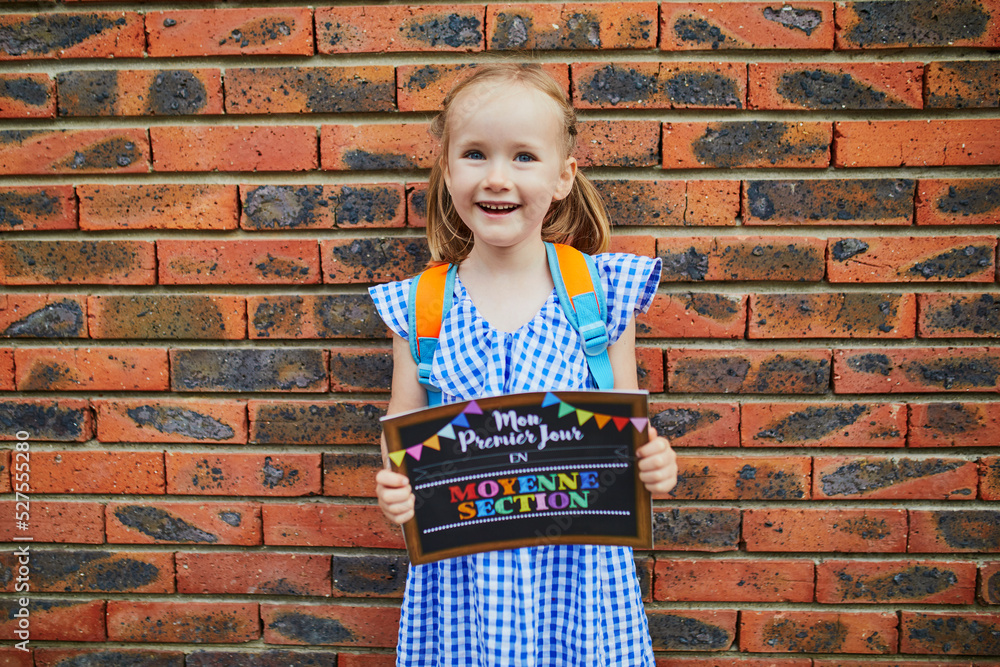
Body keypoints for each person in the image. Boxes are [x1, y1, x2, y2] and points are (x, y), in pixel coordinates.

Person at [368, 62, 678, 666]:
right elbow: (402, 426)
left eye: (524, 158)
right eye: (476, 154)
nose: (498, 178)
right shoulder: (419, 306)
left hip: (581, 587)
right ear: (448, 170)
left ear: (564, 177)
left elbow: (632, 427)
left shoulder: (601, 294)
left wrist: (655, 464)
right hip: (461, 586)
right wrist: (395, 491)